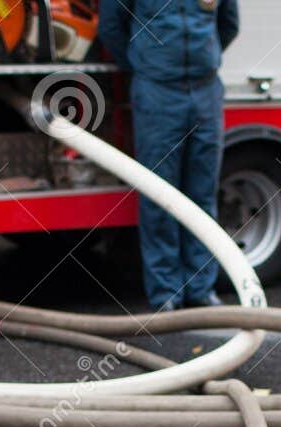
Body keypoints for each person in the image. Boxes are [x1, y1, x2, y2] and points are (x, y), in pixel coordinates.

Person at [100, 0, 241, 311]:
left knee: (202, 195)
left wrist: (204, 60)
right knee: (159, 196)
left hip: (205, 91)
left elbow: (229, 24)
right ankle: (166, 292)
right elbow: (110, 28)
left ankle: (200, 288)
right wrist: (145, 64)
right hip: (158, 93)